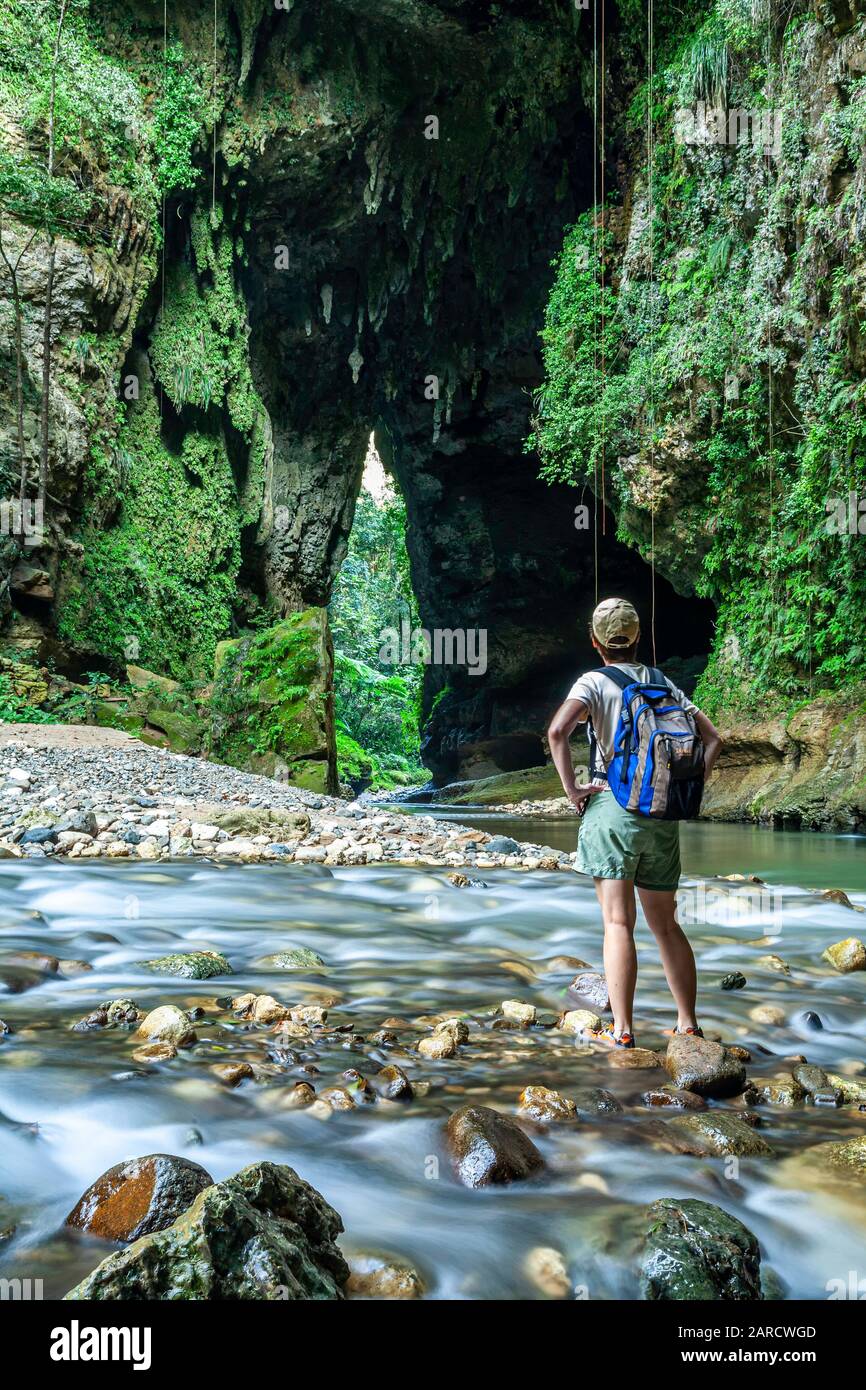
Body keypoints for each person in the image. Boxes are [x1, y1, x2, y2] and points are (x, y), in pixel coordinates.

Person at [547, 597, 723, 1048]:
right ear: (638, 636)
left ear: (595, 641)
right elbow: (713, 739)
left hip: (612, 810)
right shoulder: (661, 681)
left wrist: (573, 790)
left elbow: (556, 732)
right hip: (661, 814)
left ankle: (622, 1031)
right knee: (666, 925)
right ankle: (688, 1023)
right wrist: (685, 785)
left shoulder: (592, 681)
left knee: (618, 924)